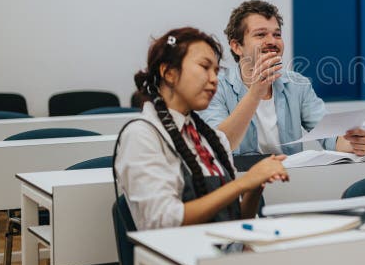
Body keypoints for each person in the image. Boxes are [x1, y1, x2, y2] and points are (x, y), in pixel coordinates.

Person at [114, 27, 289, 232]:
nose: (214, 79)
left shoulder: (213, 138)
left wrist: (255, 185)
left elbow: (236, 220)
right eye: (204, 67)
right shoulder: (141, 136)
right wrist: (243, 183)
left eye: (215, 71)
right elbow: (162, 221)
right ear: (169, 72)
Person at [202, 0, 365, 156]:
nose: (272, 41)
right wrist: (255, 94)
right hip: (240, 181)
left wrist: (351, 143)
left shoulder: (297, 84)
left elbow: (329, 136)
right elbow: (217, 146)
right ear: (237, 46)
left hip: (289, 181)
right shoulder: (215, 87)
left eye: (277, 34)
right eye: (260, 35)